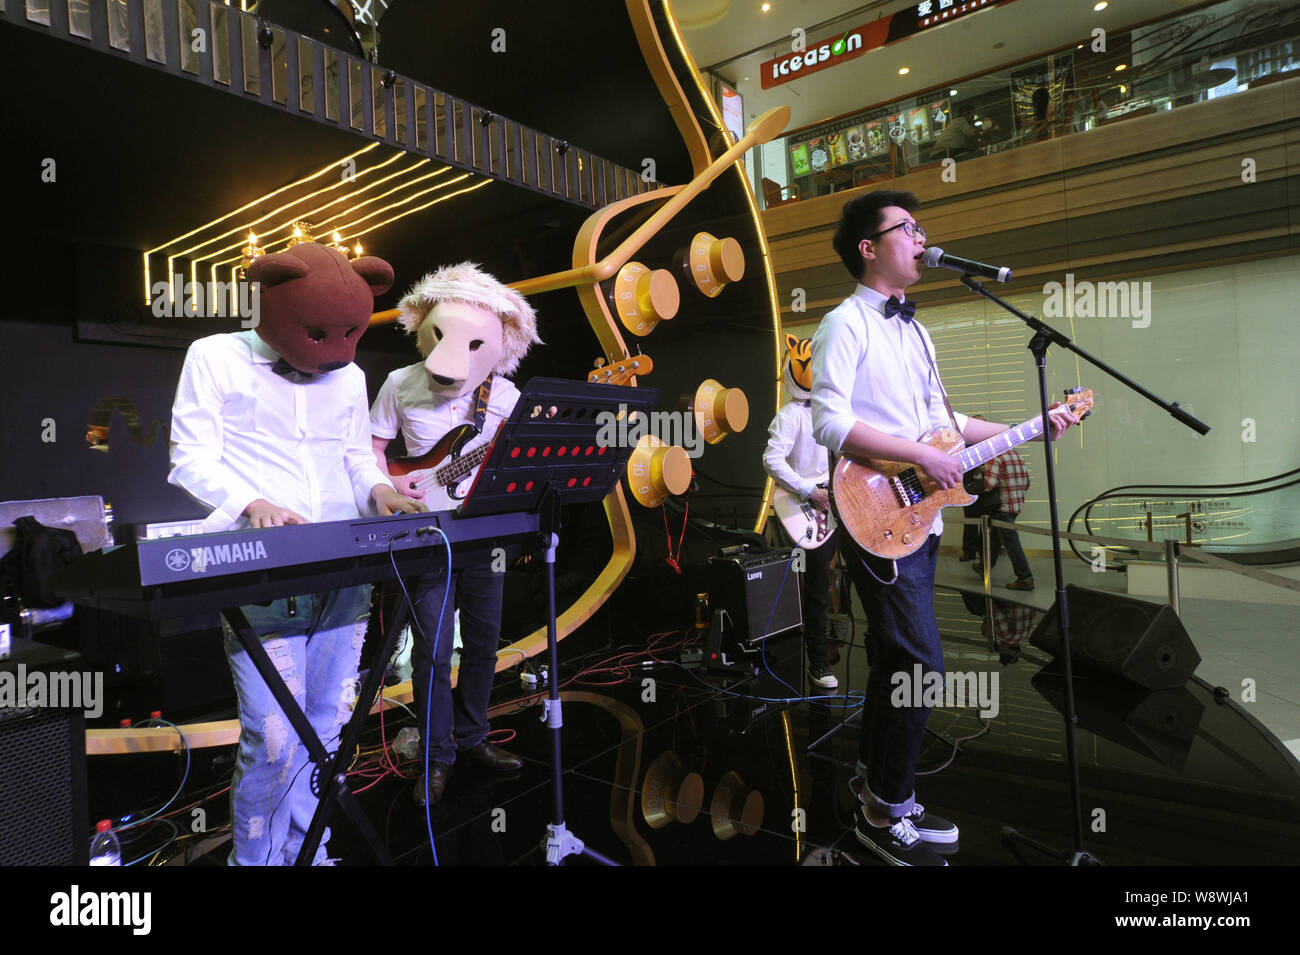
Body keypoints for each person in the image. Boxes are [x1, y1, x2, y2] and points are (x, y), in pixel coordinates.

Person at [810, 191, 1077, 865]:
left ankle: (879, 790)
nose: (923, 237)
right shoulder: (846, 323)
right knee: (922, 664)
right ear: (869, 248)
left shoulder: (915, 330)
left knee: (897, 659)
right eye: (908, 228)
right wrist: (918, 455)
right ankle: (886, 810)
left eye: (922, 226)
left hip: (916, 521)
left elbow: (948, 429)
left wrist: (1035, 424)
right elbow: (828, 422)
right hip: (871, 511)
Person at [168, 242, 424, 865]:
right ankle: (254, 863)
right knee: (275, 737)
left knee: (329, 724)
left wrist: (382, 489)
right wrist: (252, 502)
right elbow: (190, 457)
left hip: (345, 572)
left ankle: (311, 850)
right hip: (266, 572)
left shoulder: (352, 375)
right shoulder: (214, 356)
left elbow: (354, 455)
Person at [371, 262, 541, 807]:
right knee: (433, 652)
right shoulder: (399, 383)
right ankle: (436, 756)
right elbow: (372, 452)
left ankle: (473, 741)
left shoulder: (507, 397)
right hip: (426, 536)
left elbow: (515, 463)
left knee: (486, 646)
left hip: (485, 536)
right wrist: (390, 490)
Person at [762, 333, 840, 690]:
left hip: (842, 505)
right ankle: (817, 660)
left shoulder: (836, 411)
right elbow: (771, 458)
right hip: (810, 507)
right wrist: (810, 490)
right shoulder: (790, 415)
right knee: (817, 587)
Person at [973, 446, 1035, 590]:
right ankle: (984, 567)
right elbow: (1027, 482)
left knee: (1011, 542)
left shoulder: (996, 457)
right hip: (1016, 504)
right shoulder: (1016, 455)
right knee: (996, 538)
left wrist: (977, 481)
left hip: (1002, 505)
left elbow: (990, 484)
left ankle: (1025, 577)